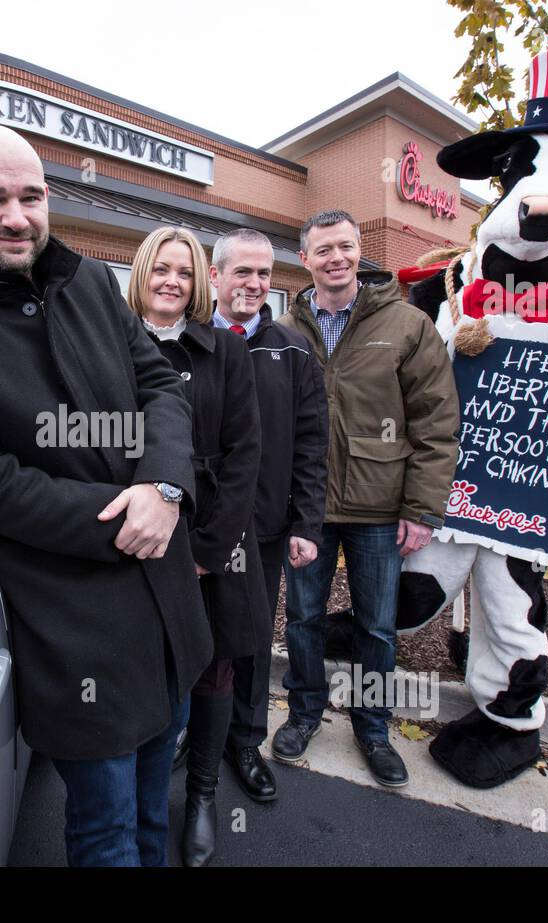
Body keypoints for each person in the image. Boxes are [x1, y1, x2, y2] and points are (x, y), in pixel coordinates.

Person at [0, 124, 210, 867]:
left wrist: (164, 486)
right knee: (105, 833)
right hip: (75, 628)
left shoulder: (91, 281)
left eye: (30, 195)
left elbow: (161, 386)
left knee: (156, 810)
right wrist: (129, 520)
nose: (16, 214)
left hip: (168, 613)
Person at [275, 210, 457, 787]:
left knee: (377, 626)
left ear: (360, 253)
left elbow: (436, 421)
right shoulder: (284, 329)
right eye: (323, 249)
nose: (336, 258)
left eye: (346, 247)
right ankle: (304, 714)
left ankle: (373, 727)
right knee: (302, 619)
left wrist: (423, 508)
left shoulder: (405, 325)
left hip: (381, 509)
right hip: (306, 506)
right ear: (304, 258)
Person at [126, 226, 265, 866]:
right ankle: (135, 789)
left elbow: (244, 459)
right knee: (142, 661)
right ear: (142, 273)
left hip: (213, 542)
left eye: (185, 271)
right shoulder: (112, 345)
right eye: (162, 268)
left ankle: (203, 795)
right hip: (132, 536)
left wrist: (209, 550)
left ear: (200, 281)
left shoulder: (226, 354)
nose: (172, 281)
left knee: (213, 667)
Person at [208, 228, 329, 803]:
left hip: (263, 530)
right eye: (242, 272)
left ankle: (244, 741)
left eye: (263, 274)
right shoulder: (187, 342)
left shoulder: (293, 350)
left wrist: (307, 524)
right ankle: (195, 732)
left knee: (253, 639)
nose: (254, 284)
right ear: (216, 277)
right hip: (196, 529)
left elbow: (311, 443)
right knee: (197, 635)